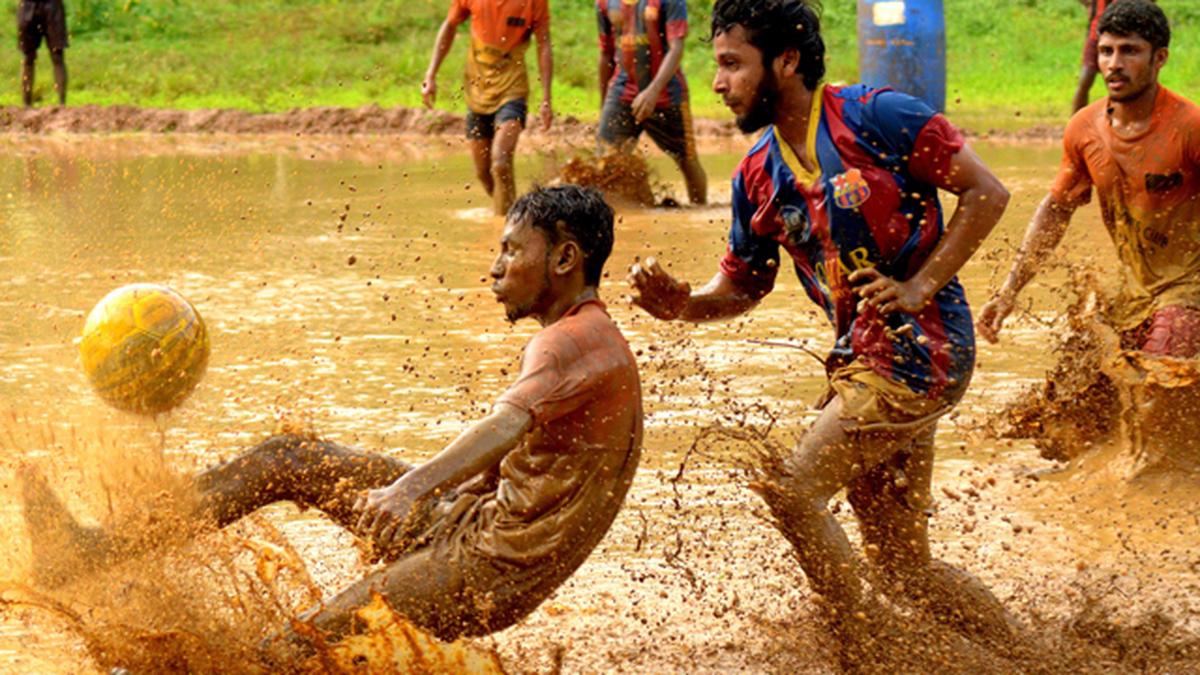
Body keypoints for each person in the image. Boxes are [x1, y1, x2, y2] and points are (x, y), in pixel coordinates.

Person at [21, 185, 643, 652]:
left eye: (511, 250)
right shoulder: (588, 342)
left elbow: (501, 429)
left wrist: (407, 488)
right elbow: (527, 461)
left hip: (484, 567)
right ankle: (90, 552)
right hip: (468, 526)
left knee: (299, 646)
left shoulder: (568, 342)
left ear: (565, 259)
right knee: (286, 458)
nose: (495, 267)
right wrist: (440, 494)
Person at [628, 0, 1021, 658]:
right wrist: (681, 305)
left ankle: (865, 650)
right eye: (716, 65)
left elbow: (988, 192)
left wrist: (919, 284)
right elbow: (743, 286)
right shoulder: (758, 173)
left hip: (923, 350)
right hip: (859, 362)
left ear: (785, 62)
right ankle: (1028, 657)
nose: (718, 83)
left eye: (732, 64)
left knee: (789, 487)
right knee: (903, 567)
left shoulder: (879, 116)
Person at [979, 0, 1200, 357]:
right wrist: (1009, 292)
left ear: (1160, 58)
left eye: (1130, 52)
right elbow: (1056, 211)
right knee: (1079, 384)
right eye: (1106, 51)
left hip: (1190, 290)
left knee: (1158, 383)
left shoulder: (1191, 127)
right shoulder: (1084, 128)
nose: (1114, 64)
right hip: (1133, 291)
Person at [422, 0, 553, 216]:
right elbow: (450, 25)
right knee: (483, 173)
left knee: (500, 161)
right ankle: (511, 215)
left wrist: (546, 97)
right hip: (477, 87)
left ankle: (509, 225)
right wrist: (430, 74)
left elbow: (544, 43)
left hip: (512, 86)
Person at [596, 0, 707, 205]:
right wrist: (604, 107)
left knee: (687, 161)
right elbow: (605, 54)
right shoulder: (605, 3)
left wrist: (653, 91)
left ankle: (700, 210)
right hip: (621, 92)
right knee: (605, 161)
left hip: (666, 94)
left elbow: (676, 48)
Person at [17, 0, 68, 107]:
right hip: (28, 5)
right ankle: (26, 105)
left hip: (53, 6)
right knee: (28, 57)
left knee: (57, 54)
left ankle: (62, 104)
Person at [1072, 0, 1109, 114]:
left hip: (1125, 33)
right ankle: (1076, 124)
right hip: (1096, 32)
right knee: (1085, 79)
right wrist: (1090, 5)